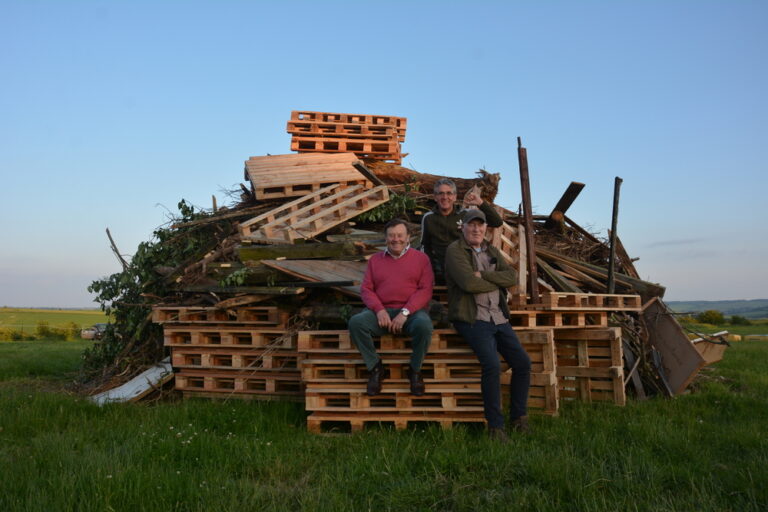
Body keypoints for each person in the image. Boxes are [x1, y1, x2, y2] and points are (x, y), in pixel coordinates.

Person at [444, 209, 531, 442]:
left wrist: (483, 275)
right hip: (473, 318)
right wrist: (491, 280)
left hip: (498, 317)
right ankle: (495, 427)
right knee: (492, 365)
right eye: (471, 225)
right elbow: (467, 284)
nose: (476, 229)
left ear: (486, 228)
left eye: (480, 226)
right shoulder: (455, 251)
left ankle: (519, 418)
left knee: (522, 363)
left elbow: (511, 278)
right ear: (463, 227)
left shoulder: (492, 250)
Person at [348, 218, 434, 396]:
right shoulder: (375, 260)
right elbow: (366, 289)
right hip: (382, 313)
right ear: (386, 238)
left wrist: (405, 312)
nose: (396, 239)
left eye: (400, 235)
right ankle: (376, 368)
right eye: (392, 235)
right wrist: (379, 310)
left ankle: (415, 371)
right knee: (356, 323)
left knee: (424, 326)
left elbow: (425, 290)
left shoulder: (421, 259)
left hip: (411, 313)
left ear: (408, 237)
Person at [420, 178, 503, 283]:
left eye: (449, 193)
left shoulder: (466, 215)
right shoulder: (428, 218)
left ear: (455, 197)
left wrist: (481, 203)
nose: (445, 197)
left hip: (464, 270)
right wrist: (428, 272)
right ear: (435, 197)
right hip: (439, 272)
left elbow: (497, 222)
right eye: (440, 193)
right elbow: (425, 246)